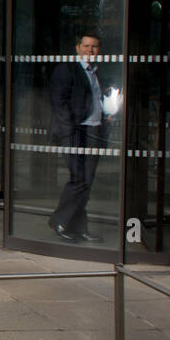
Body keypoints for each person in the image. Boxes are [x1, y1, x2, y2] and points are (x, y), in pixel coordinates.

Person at [47, 31, 115, 243]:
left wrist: (106, 114)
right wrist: (70, 132)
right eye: (86, 46)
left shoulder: (96, 71)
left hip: (94, 131)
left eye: (94, 47)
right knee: (79, 179)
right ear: (78, 48)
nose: (90, 50)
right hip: (76, 132)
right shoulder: (66, 69)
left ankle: (78, 228)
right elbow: (60, 103)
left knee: (86, 181)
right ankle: (60, 221)